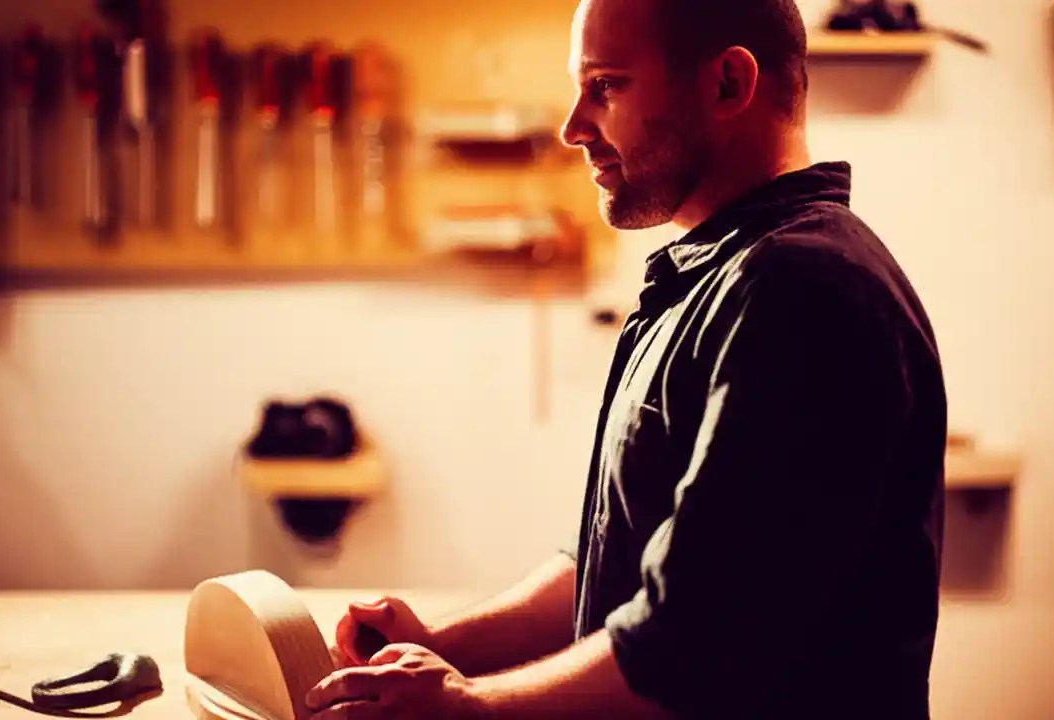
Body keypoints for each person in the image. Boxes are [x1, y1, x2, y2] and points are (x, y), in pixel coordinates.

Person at [304, 0, 947, 717]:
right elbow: (623, 566)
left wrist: (468, 706)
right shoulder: (709, 278)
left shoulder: (804, 293)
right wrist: (444, 644)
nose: (573, 127)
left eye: (605, 86)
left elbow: (691, 648)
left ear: (729, 84)